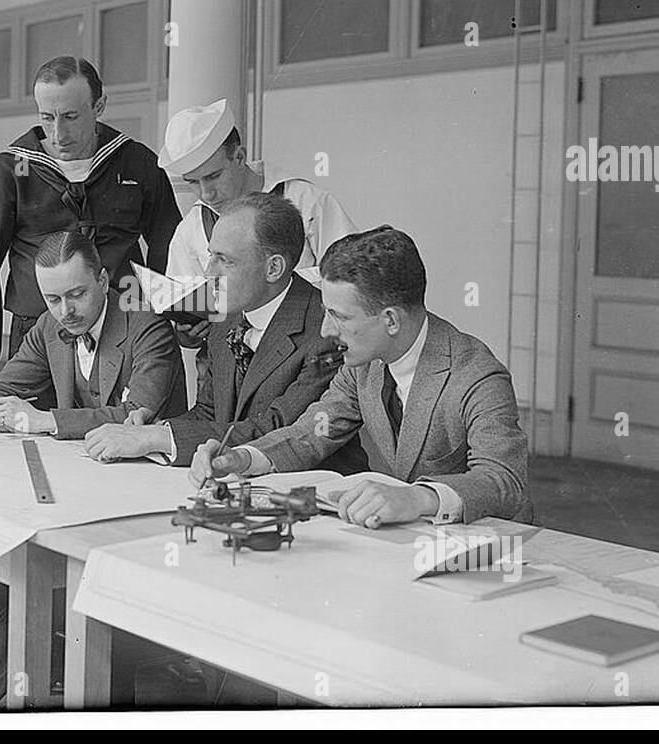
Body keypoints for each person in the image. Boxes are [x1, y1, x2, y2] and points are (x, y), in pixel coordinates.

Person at [190, 225, 532, 527]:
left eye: (340, 317)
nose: (325, 330)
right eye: (325, 312)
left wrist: (420, 498)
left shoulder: (476, 376)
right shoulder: (362, 362)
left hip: (491, 549)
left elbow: (504, 480)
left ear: (391, 321)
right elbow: (313, 431)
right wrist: (244, 457)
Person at [81, 191, 365, 474]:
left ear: (274, 268)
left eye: (224, 260)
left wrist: (158, 438)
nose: (208, 272)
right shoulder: (227, 316)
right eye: (210, 256)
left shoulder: (326, 331)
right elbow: (208, 412)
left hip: (314, 496)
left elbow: (274, 429)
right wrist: (159, 427)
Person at [0, 56, 181, 391]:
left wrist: (178, 316)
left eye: (71, 117)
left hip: (124, 328)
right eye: (47, 118)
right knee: (29, 435)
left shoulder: (138, 163)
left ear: (99, 105)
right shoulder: (11, 170)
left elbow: (170, 248)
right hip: (38, 334)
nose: (59, 133)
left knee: (118, 434)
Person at [157, 98, 357, 351]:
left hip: (310, 354)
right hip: (224, 367)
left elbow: (353, 278)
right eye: (193, 182)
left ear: (239, 157)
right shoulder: (190, 230)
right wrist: (188, 332)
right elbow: (185, 315)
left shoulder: (307, 202)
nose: (206, 194)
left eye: (213, 176)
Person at [0, 228, 186, 439]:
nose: (65, 311)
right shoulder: (47, 325)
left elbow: (137, 416)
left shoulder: (149, 327)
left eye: (77, 294)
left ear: (102, 281)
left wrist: (45, 420)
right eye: (53, 299)